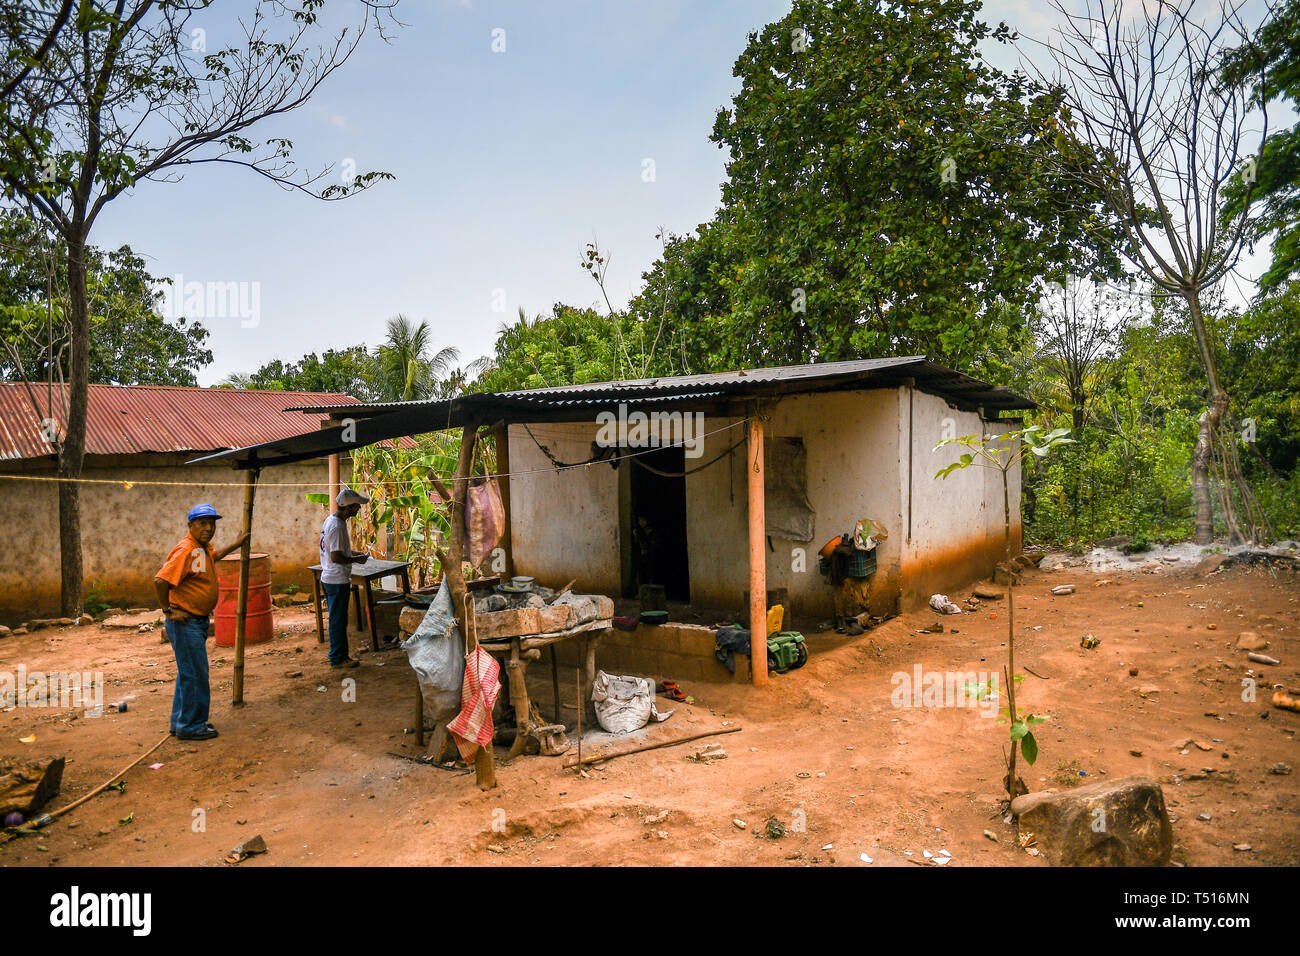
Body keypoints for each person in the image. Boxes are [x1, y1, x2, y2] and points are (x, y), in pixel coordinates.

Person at [154, 503, 248, 741]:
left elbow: (212, 558)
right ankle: (191, 725)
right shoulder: (187, 549)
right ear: (190, 525)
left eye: (212, 523)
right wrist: (167, 610)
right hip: (185, 622)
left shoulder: (200, 549)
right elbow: (161, 581)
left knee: (188, 674)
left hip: (195, 622)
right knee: (196, 675)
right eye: (202, 523)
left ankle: (181, 722)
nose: (209, 528)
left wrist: (235, 546)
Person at [320, 488, 371, 668]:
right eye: (357, 506)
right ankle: (338, 658)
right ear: (348, 507)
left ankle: (340, 656)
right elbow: (336, 557)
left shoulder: (331, 521)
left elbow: (338, 551)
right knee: (337, 620)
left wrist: (355, 554)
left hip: (330, 577)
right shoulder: (338, 526)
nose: (358, 509)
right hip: (336, 579)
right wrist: (357, 559)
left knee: (337, 619)